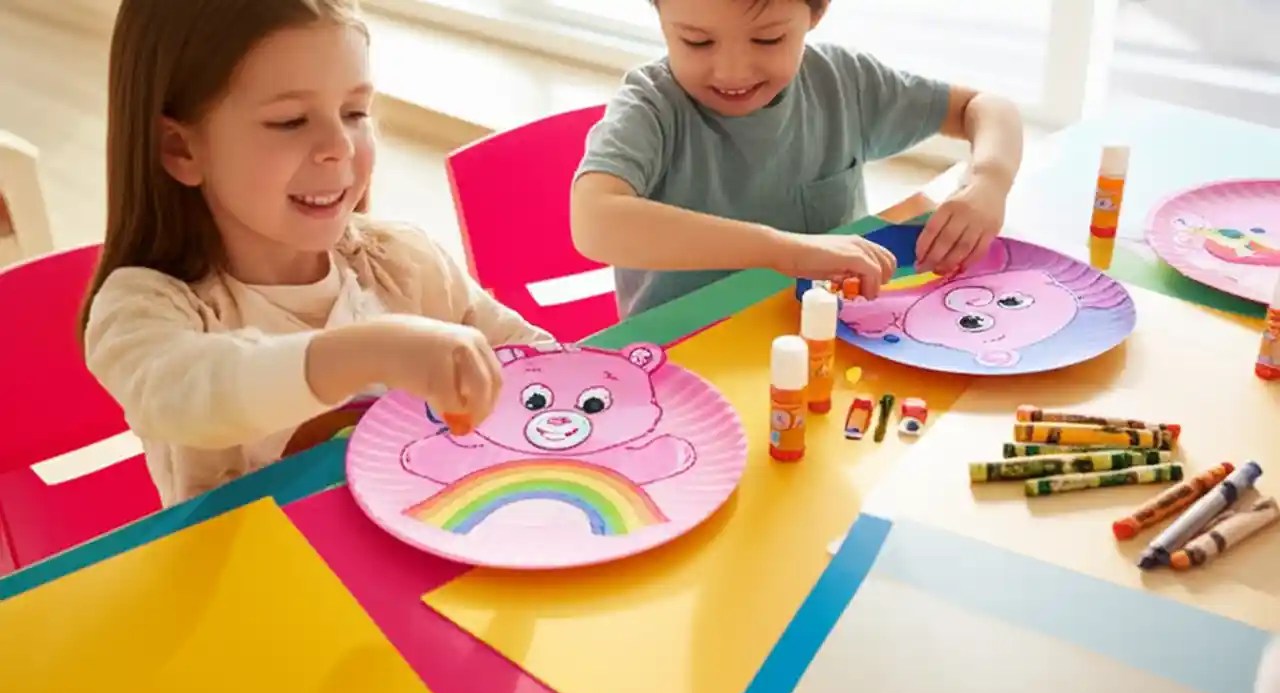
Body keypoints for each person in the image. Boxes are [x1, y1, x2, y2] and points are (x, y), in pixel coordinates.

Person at [80, 0, 550, 505]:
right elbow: (188, 394)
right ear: (181, 148)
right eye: (291, 120)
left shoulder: (404, 262)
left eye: (354, 112)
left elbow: (531, 357)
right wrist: (370, 351)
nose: (339, 145)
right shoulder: (143, 309)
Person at [571, 0, 1024, 319]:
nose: (732, 71)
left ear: (816, 13)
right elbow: (593, 222)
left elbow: (984, 106)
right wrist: (785, 252)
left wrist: (989, 182)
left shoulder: (842, 83)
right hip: (683, 355)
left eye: (767, 39)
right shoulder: (651, 108)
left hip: (831, 332)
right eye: (697, 42)